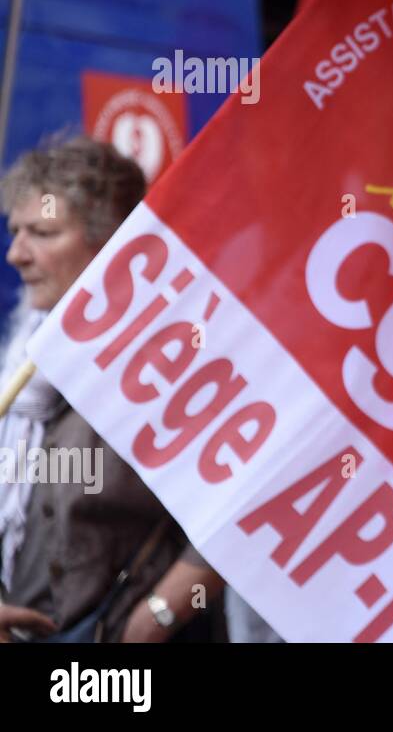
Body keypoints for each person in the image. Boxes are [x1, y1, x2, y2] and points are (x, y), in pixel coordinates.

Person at [0, 136, 224, 642]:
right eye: (15, 231)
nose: (16, 253)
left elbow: (243, 497)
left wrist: (159, 617)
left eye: (42, 232)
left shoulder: (173, 358)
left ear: (111, 244)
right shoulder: (19, 354)